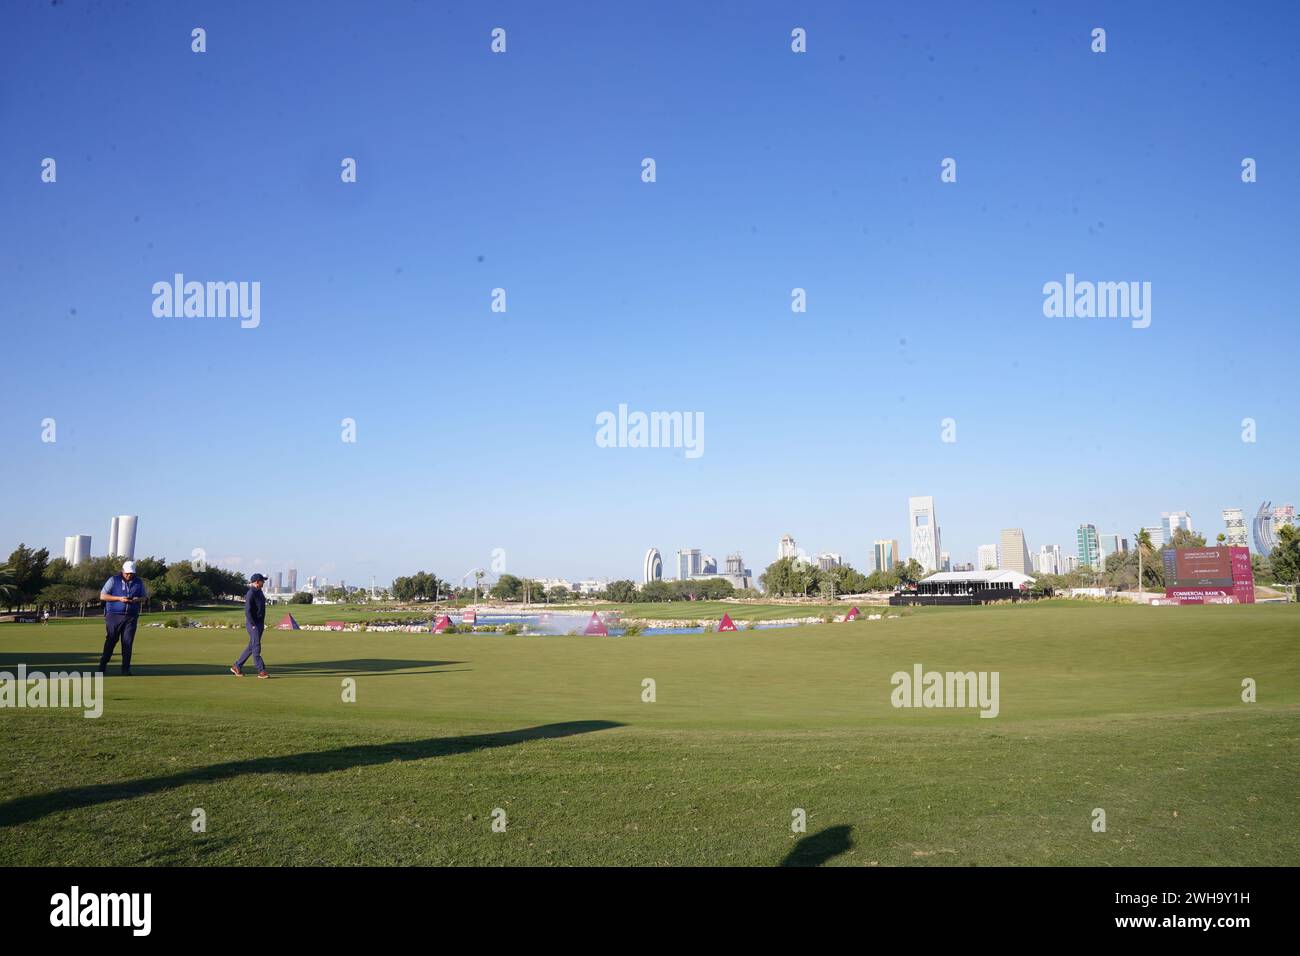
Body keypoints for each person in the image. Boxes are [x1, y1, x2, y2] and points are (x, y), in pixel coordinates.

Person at [98, 560, 147, 675]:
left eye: (131, 573)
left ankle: (126, 669)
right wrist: (119, 599)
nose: (129, 575)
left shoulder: (138, 582)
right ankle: (103, 665)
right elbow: (103, 595)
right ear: (123, 571)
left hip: (131, 617)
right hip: (114, 616)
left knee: (127, 643)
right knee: (111, 640)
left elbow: (144, 597)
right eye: (127, 573)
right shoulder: (113, 580)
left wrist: (137, 600)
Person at [232, 573, 270, 678]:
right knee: (256, 647)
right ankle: (261, 670)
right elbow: (247, 611)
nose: (264, 582)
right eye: (262, 581)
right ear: (257, 582)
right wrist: (253, 624)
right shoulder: (251, 593)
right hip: (253, 624)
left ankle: (237, 666)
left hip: (259, 623)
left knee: (251, 646)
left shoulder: (259, 592)